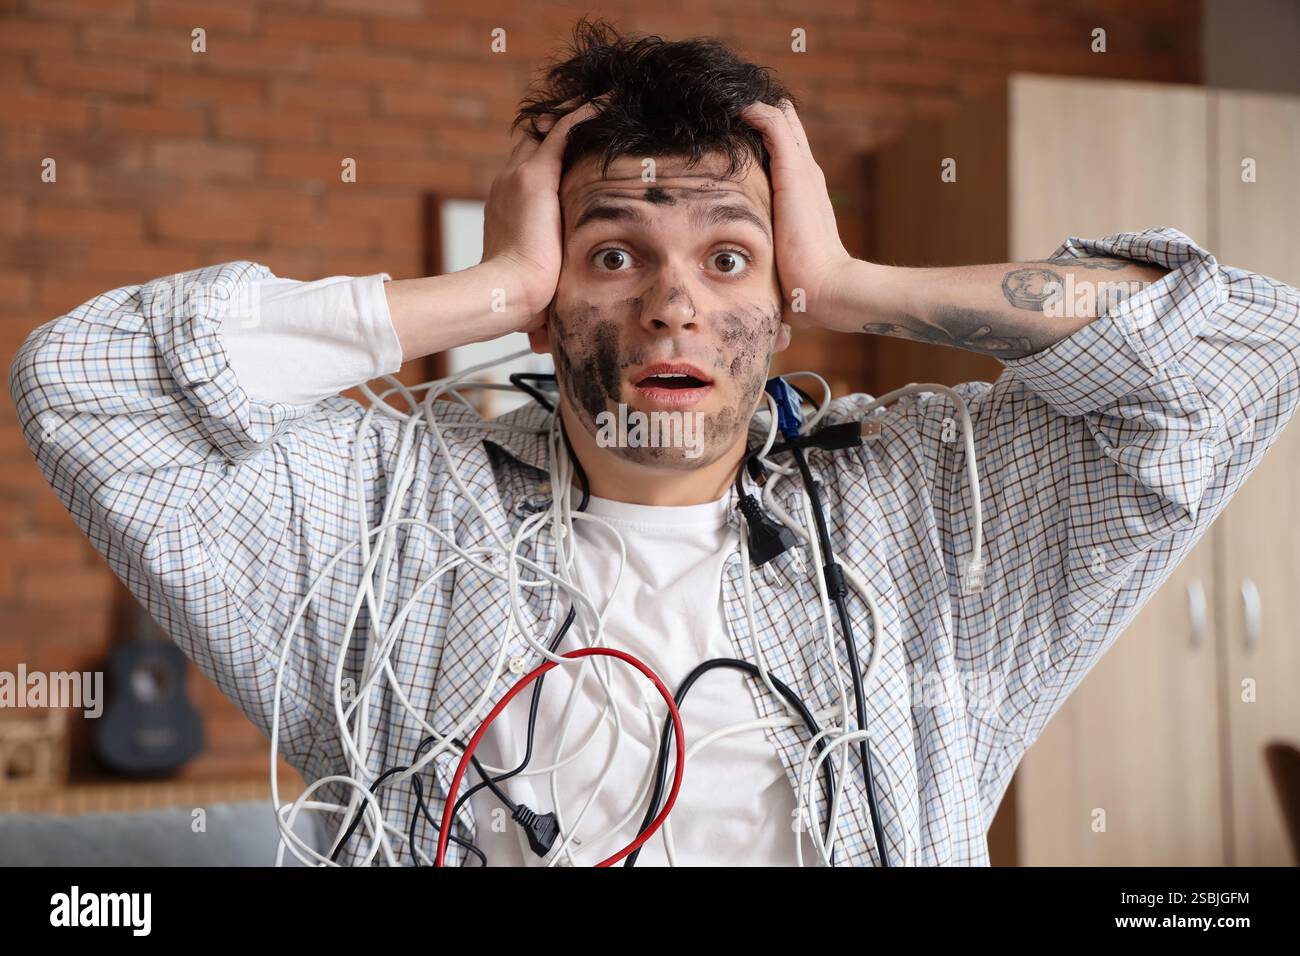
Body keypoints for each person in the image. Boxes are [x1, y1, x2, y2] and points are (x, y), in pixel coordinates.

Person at [9, 18, 1300, 866]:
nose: (675, 303)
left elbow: (1244, 351)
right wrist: (473, 295)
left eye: (730, 257)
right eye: (611, 252)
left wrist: (860, 282)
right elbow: (83, 382)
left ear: (781, 295)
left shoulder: (931, 520)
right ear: (548, 292)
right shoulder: (386, 519)